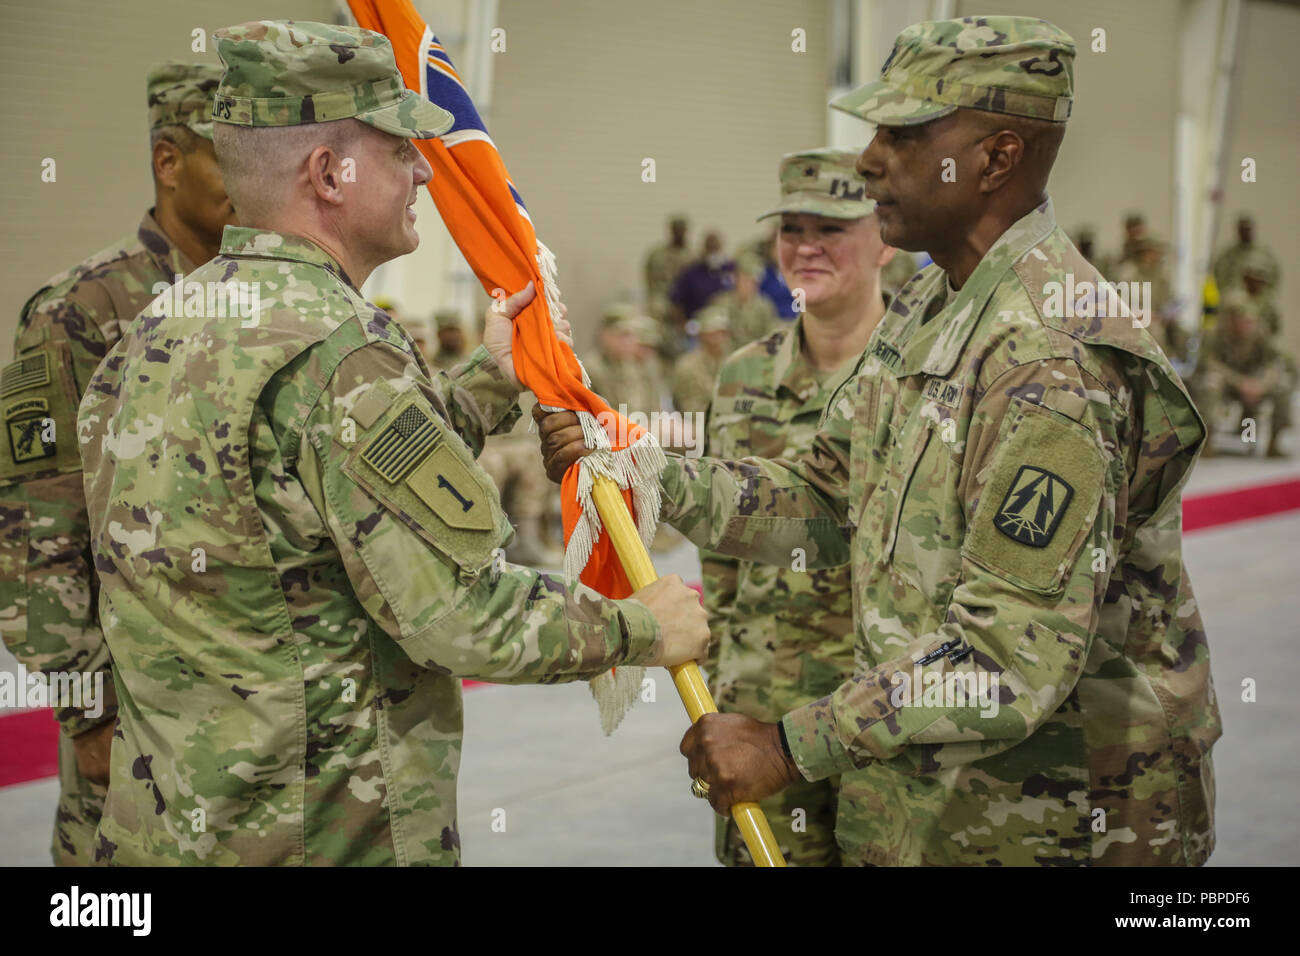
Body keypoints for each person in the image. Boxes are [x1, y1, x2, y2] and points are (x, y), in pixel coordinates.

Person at [539, 16, 1219, 866]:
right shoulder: (934, 311)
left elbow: (1007, 658)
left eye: (904, 133)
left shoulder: (1050, 358)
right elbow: (825, 495)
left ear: (996, 158)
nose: (868, 160)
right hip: (934, 808)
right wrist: (642, 472)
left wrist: (788, 746)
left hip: (1060, 820)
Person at [76, 20, 706, 866]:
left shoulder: (153, 330)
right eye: (400, 147)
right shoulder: (341, 353)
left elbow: (310, 497)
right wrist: (637, 626)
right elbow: (459, 617)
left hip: (173, 829)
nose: (422, 167)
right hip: (322, 833)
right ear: (328, 173)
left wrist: (490, 377)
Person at [0, 62, 233, 867]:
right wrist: (87, 711)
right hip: (131, 704)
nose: (251, 177)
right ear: (169, 162)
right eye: (225, 154)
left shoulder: (279, 301)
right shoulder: (84, 312)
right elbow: (33, 527)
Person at [702, 146, 893, 866]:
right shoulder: (744, 374)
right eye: (792, 228)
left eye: (833, 226)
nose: (806, 246)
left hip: (886, 716)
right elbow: (721, 553)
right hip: (763, 710)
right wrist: (722, 679)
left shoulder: (923, 371)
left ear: (886, 240)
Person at [1194, 290, 1293, 458]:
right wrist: (1240, 383)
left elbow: (1273, 363)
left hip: (1254, 384)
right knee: (1210, 383)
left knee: (1283, 384)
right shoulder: (1213, 334)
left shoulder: (1260, 333)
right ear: (1230, 318)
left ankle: (1274, 443)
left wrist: (1261, 385)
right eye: (1240, 318)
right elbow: (1209, 364)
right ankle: (1207, 441)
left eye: (1249, 319)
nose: (1246, 323)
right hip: (1227, 383)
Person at [707, 253, 780, 348]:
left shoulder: (764, 306)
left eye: (753, 282)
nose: (749, 285)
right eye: (746, 280)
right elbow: (714, 337)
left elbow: (770, 335)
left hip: (755, 355)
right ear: (735, 279)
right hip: (728, 355)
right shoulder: (720, 303)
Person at [669, 305, 731, 415]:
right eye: (713, 333)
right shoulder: (688, 365)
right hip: (698, 424)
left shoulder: (733, 362)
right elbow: (689, 407)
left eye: (722, 333)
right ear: (702, 335)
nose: (719, 338)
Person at [643, 213, 692, 325]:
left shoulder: (692, 256)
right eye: (676, 229)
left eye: (681, 230)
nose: (678, 233)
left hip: (685, 299)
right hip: (662, 296)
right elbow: (648, 277)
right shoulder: (657, 254)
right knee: (657, 307)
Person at [1213, 214, 1279, 295]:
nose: (1245, 233)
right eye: (1242, 230)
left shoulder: (1264, 254)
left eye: (1248, 229)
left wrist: (1268, 295)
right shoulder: (1228, 255)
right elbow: (1218, 275)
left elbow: (1275, 275)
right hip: (1233, 300)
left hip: (1258, 301)